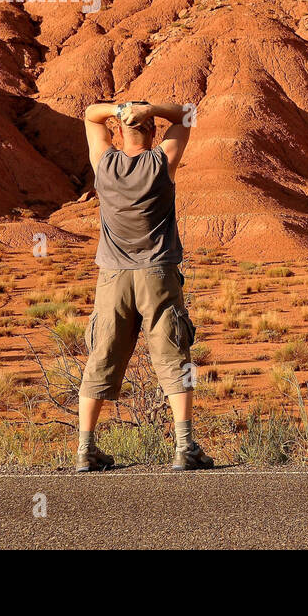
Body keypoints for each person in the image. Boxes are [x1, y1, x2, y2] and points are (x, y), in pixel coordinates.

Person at [75, 100, 212, 471]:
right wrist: (150, 108)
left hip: (113, 277)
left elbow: (90, 113)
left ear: (118, 133)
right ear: (153, 132)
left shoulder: (104, 163)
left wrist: (120, 110)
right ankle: (185, 447)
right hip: (157, 274)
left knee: (101, 355)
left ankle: (86, 449)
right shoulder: (161, 162)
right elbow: (186, 115)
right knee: (173, 354)